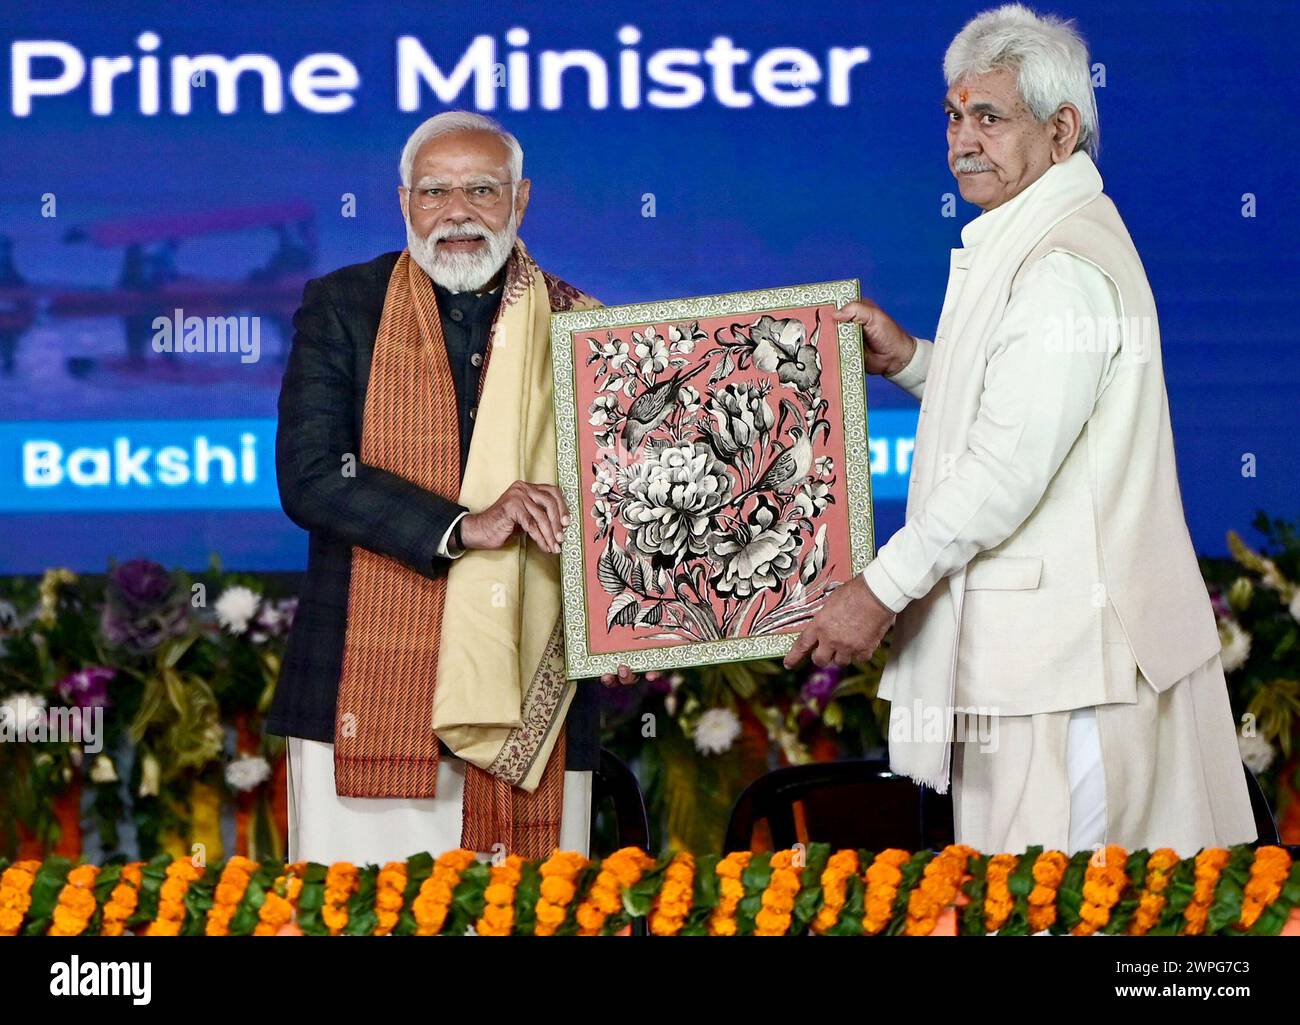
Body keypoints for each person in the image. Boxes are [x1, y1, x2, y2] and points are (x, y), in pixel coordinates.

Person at [786, 4, 1256, 856]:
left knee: (1059, 910)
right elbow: (1026, 417)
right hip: (1044, 670)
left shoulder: (1060, 267)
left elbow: (1004, 469)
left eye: (990, 117)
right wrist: (913, 362)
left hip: (1070, 676)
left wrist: (880, 590)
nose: (962, 139)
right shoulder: (1041, 238)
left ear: (1062, 128)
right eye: (954, 116)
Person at [267, 110, 654, 864]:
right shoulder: (345, 305)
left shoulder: (587, 327)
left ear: (522, 199)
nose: (457, 213)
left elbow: (627, 499)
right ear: (403, 201)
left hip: (534, 696)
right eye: (434, 191)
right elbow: (311, 476)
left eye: (482, 189)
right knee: (358, 918)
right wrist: (464, 524)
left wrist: (631, 613)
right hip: (362, 693)